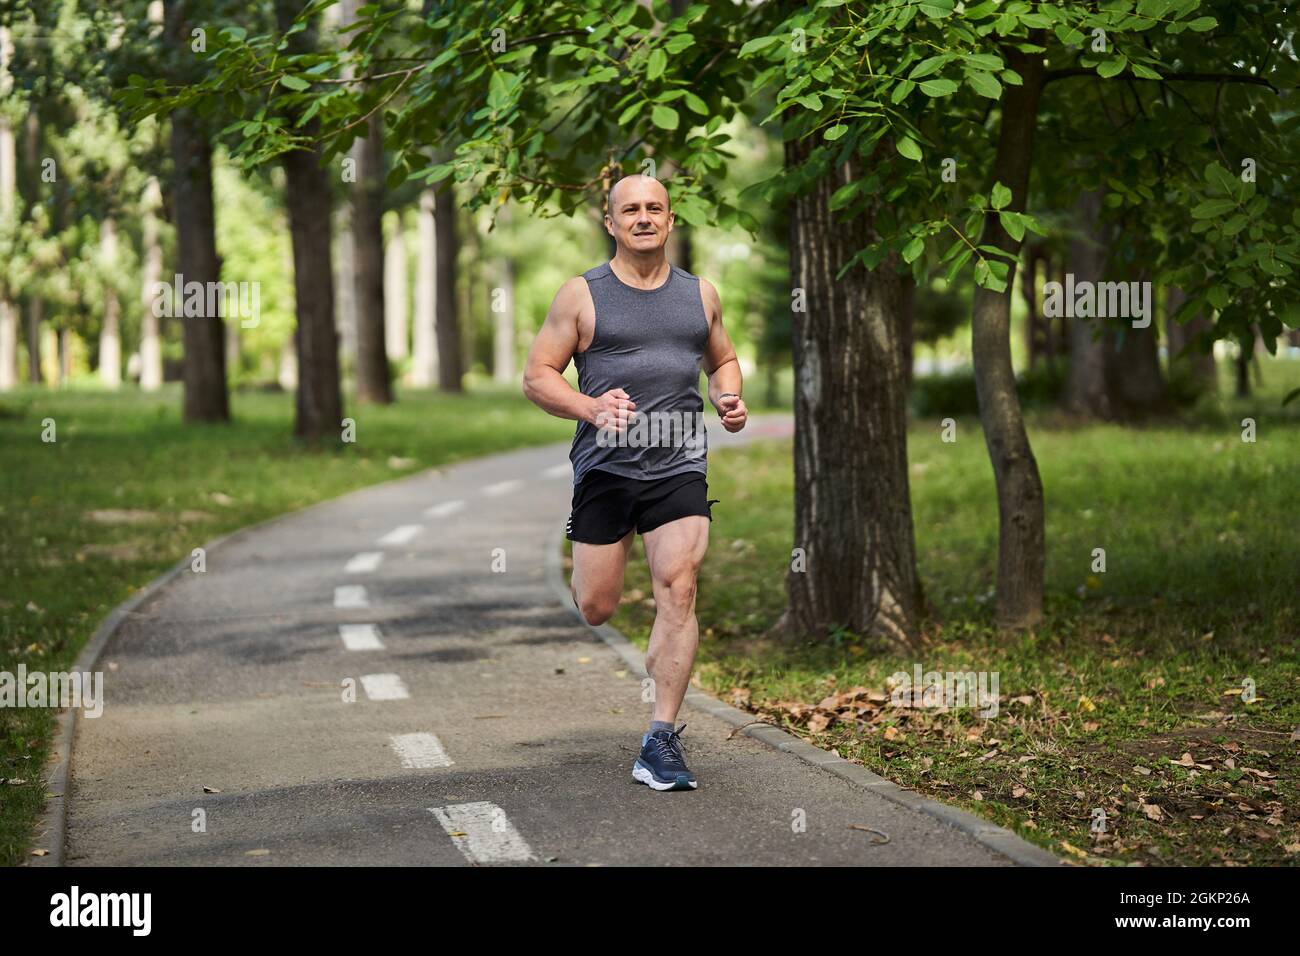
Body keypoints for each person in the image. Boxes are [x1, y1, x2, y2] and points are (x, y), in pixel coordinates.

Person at [522, 174, 747, 791]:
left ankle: (660, 736)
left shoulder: (699, 294)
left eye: (654, 208)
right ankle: (589, 559)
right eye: (631, 209)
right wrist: (592, 409)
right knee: (598, 607)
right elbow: (538, 375)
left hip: (678, 464)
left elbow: (722, 359)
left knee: (678, 585)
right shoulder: (581, 295)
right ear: (610, 221)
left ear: (671, 221)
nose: (643, 217)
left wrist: (727, 397)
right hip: (607, 468)